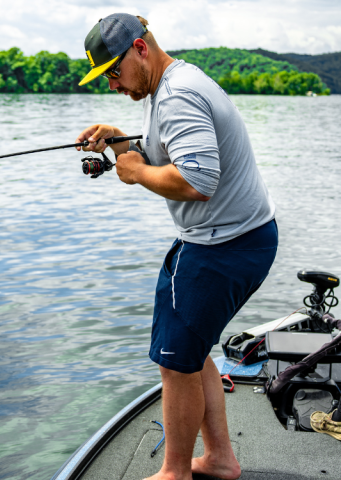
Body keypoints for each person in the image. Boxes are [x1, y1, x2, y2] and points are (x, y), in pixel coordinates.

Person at [75, 13, 278, 480]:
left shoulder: (178, 95)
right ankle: (220, 459)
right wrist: (121, 144)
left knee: (176, 363)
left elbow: (198, 179)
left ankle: (175, 472)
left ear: (139, 49)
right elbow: (168, 156)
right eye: (104, 77)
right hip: (234, 239)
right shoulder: (168, 86)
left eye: (113, 71)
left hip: (222, 247)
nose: (112, 84)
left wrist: (135, 172)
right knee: (191, 351)